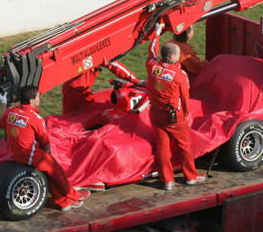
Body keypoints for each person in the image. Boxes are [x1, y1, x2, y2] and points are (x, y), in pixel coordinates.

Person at [0, 86, 89, 211]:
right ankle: (74, 195)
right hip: (30, 156)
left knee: (47, 174)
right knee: (56, 171)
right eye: (38, 97)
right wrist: (48, 155)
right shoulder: (36, 118)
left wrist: (3, 103)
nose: (39, 99)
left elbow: (0, 123)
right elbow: (45, 142)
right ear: (31, 101)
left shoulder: (11, 112)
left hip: (15, 153)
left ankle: (64, 202)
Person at [146, 22, 205, 190]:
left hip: (156, 114)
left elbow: (151, 51)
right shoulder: (179, 76)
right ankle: (190, 176)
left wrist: (156, 34)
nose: (179, 57)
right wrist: (185, 112)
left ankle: (167, 181)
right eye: (178, 55)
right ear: (172, 57)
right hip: (174, 115)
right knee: (184, 145)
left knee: (162, 147)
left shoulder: (152, 67)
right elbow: (185, 99)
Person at [61, 60, 139, 114]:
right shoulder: (97, 52)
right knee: (74, 121)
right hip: (77, 91)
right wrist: (136, 80)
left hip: (78, 89)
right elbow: (113, 64)